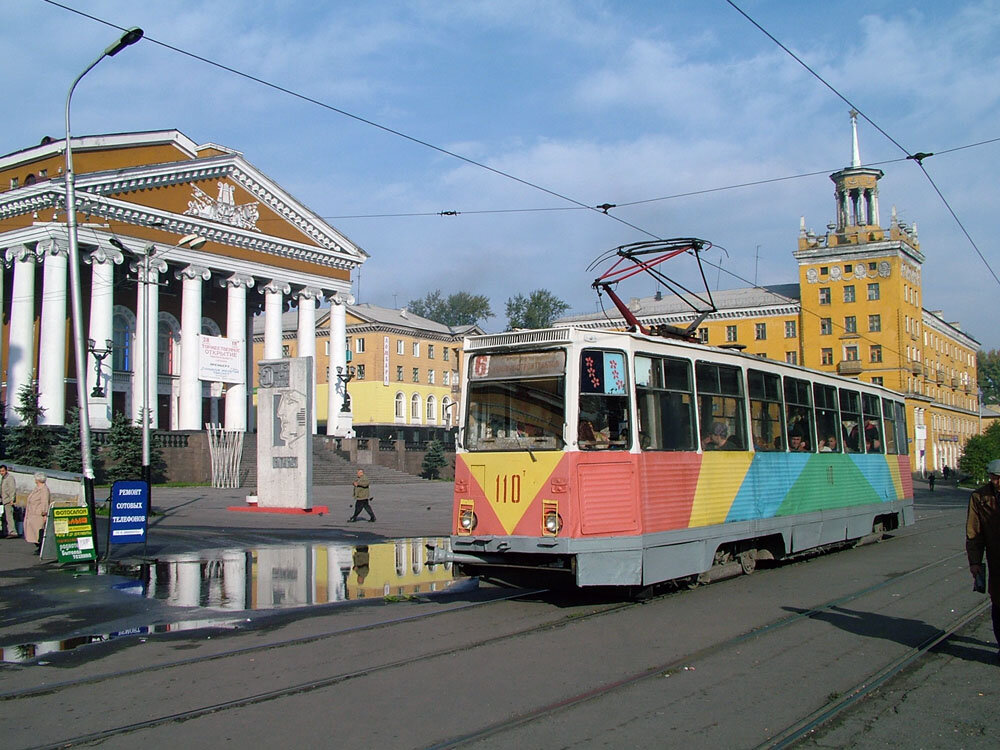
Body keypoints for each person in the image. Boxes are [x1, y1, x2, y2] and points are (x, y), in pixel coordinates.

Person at [966, 458, 1000, 660]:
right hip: (996, 559)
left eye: (999, 478)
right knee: (998, 605)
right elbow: (974, 532)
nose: (995, 482)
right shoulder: (979, 497)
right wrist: (975, 562)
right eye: (993, 477)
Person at [24, 472, 51, 551]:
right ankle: (39, 546)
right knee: (32, 532)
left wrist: (44, 513)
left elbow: (44, 502)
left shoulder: (44, 489)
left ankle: (41, 548)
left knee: (38, 532)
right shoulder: (37, 488)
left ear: (38, 479)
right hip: (32, 513)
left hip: (38, 514)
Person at [0, 465, 17, 538]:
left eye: (3, 471)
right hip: (4, 499)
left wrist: (12, 499)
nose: (1, 473)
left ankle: (12, 532)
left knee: (9, 516)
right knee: (5, 516)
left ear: (6, 470)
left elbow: (12, 489)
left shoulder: (10, 478)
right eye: (0, 471)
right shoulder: (3, 478)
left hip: (8, 500)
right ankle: (6, 531)